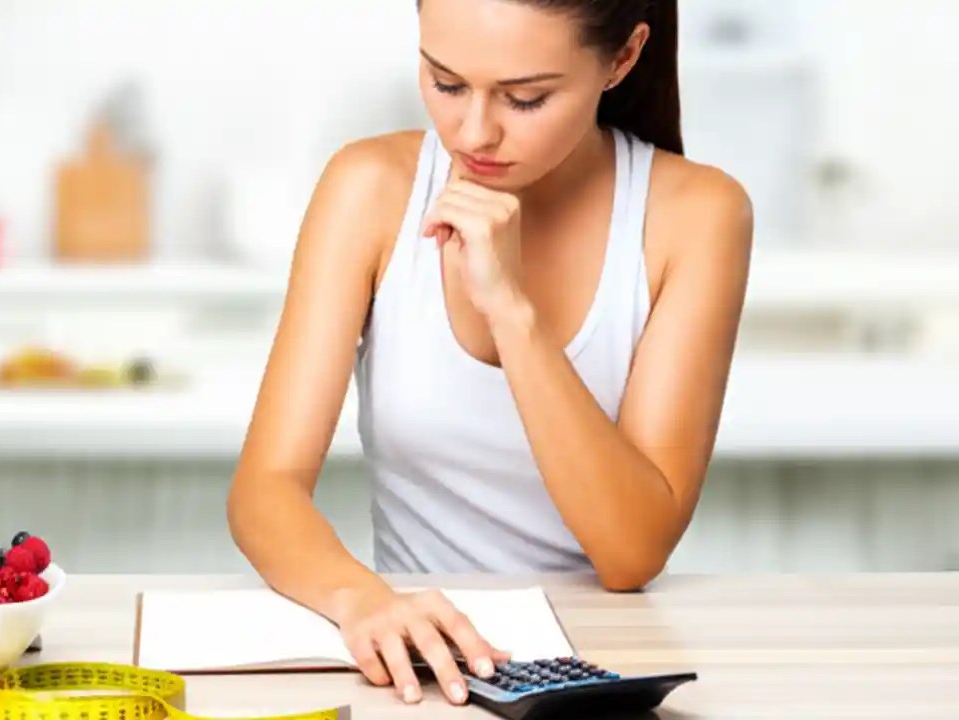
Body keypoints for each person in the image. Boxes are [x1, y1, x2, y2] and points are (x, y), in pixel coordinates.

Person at [226, 0, 751, 706]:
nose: (473, 132)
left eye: (526, 98)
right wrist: (364, 603)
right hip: (421, 666)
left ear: (622, 59)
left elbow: (631, 553)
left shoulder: (697, 215)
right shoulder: (369, 189)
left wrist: (512, 310)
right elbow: (266, 489)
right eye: (446, 84)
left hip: (607, 672)